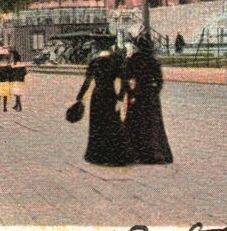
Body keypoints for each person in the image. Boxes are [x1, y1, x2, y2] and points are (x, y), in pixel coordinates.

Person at [74, 43, 132, 166]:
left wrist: (80, 97)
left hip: (97, 97)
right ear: (110, 49)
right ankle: (116, 156)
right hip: (110, 96)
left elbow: (87, 82)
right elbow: (124, 82)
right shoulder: (115, 61)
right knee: (113, 124)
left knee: (98, 126)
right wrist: (120, 99)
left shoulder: (94, 62)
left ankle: (98, 156)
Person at [125, 36, 173, 164]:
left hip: (137, 95)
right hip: (151, 97)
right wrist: (154, 93)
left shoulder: (133, 60)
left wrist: (131, 93)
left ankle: (135, 154)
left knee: (135, 123)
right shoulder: (153, 61)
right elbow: (159, 81)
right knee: (153, 125)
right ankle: (155, 154)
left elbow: (126, 77)